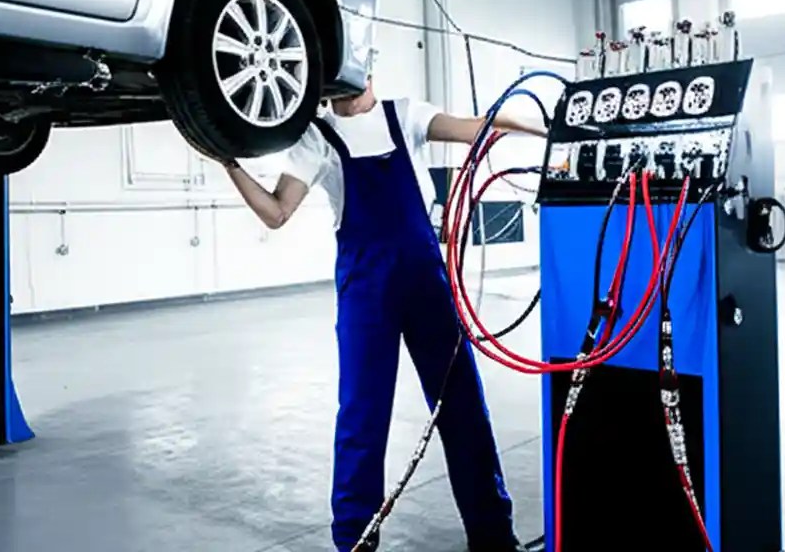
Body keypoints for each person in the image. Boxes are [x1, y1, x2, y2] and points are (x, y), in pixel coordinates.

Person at [219, 75, 545, 552]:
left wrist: (547, 129)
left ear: (365, 64)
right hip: (365, 293)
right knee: (362, 417)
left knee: (463, 409)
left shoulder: (405, 114)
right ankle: (354, 543)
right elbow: (275, 211)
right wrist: (228, 162)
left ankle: (494, 537)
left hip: (427, 287)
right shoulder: (317, 135)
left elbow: (477, 128)